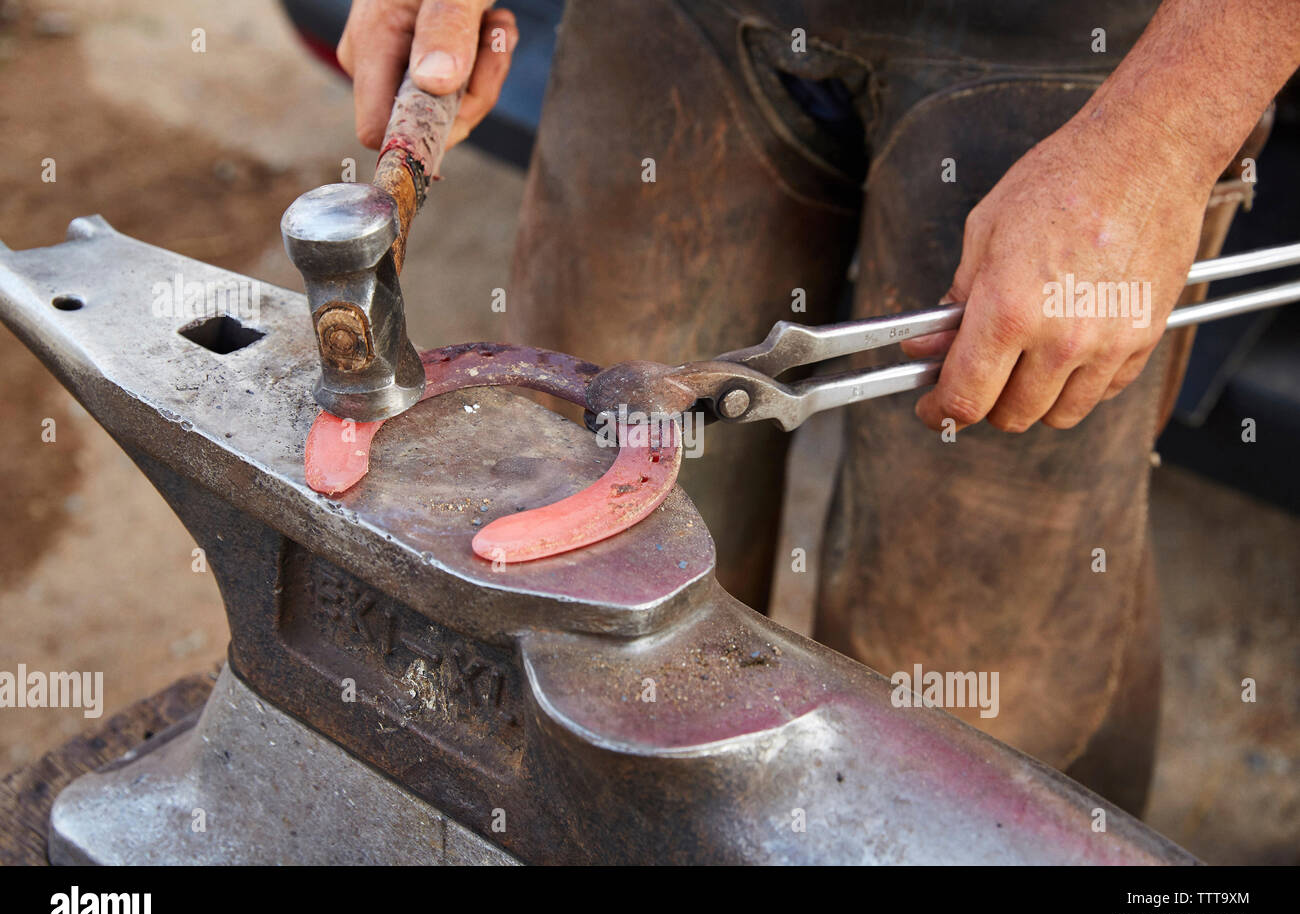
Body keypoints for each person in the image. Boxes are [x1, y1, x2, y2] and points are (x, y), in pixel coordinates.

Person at [336, 0, 1300, 813]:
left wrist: (1163, 134)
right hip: (680, 22)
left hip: (1077, 44)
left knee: (974, 706)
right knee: (583, 607)